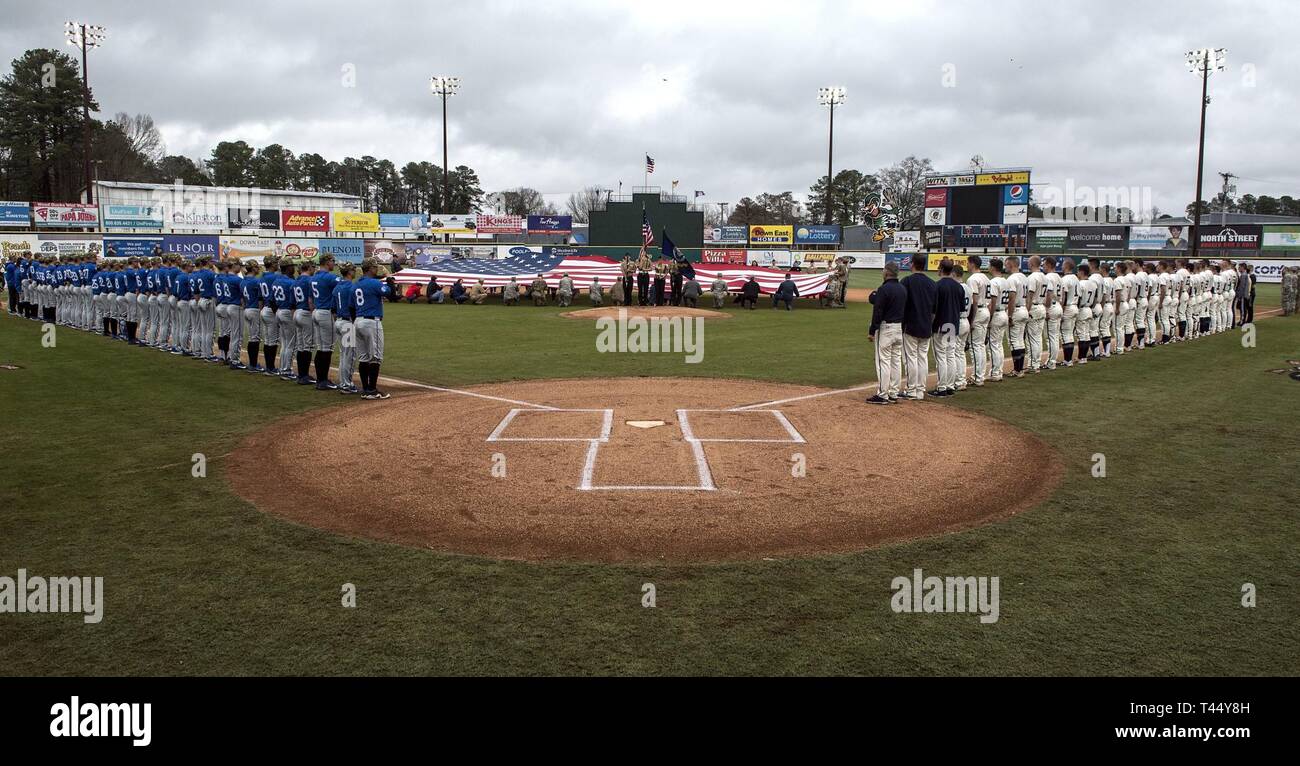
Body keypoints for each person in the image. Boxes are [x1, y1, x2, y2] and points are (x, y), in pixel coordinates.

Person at [898, 253, 937, 399]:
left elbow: (901, 303)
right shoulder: (933, 283)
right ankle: (920, 390)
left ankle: (911, 389)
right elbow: (934, 310)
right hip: (926, 325)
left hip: (911, 325)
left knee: (910, 358)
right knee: (922, 357)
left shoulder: (907, 281)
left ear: (913, 264)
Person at [866, 261, 905, 405]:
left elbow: (878, 311)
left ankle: (883, 394)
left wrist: (872, 331)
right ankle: (894, 392)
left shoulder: (884, 289)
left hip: (886, 328)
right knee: (896, 361)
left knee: (883, 361)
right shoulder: (902, 288)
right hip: (899, 327)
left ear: (887, 272)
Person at [353, 257, 391, 400]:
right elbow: (387, 292)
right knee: (375, 357)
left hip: (358, 320)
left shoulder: (356, 284)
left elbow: (351, 304)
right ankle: (372, 390)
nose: (376, 269)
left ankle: (365, 389)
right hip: (371, 321)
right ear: (370, 269)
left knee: (363, 357)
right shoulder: (374, 283)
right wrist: (388, 278)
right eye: (375, 267)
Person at [930, 258, 964, 397]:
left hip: (940, 324)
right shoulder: (959, 286)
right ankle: (950, 386)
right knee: (950, 355)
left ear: (942, 269)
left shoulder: (937, 286)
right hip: (953, 323)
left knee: (941, 357)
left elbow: (933, 309)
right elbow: (962, 308)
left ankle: (942, 387)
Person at [331, 263, 359, 394]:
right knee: (349, 356)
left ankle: (343, 382)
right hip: (347, 322)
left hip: (338, 321)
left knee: (343, 355)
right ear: (349, 272)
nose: (355, 272)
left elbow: (333, 308)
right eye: (353, 270)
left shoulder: (337, 287)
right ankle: (346, 384)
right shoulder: (351, 287)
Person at [1005, 256, 1030, 377]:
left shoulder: (1012, 279)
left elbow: (1012, 298)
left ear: (1011, 264)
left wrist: (1009, 315)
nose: (1005, 267)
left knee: (1014, 341)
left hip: (1016, 310)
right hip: (1024, 309)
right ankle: (1020, 369)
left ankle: (1017, 370)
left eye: (1006, 264)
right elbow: (1029, 296)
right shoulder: (1024, 278)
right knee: (1020, 340)